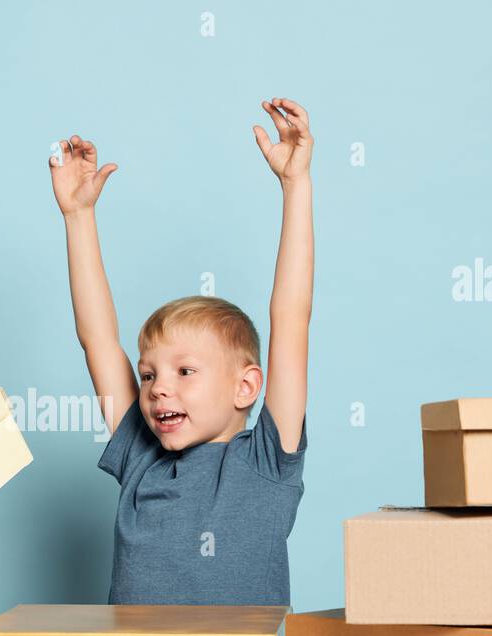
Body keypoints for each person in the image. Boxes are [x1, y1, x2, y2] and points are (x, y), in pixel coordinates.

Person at [48, 97, 314, 606]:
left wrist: (295, 184)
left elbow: (292, 316)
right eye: (148, 376)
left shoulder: (265, 462)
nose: (159, 387)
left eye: (184, 370)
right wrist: (78, 216)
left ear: (246, 386)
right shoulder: (139, 455)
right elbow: (98, 338)